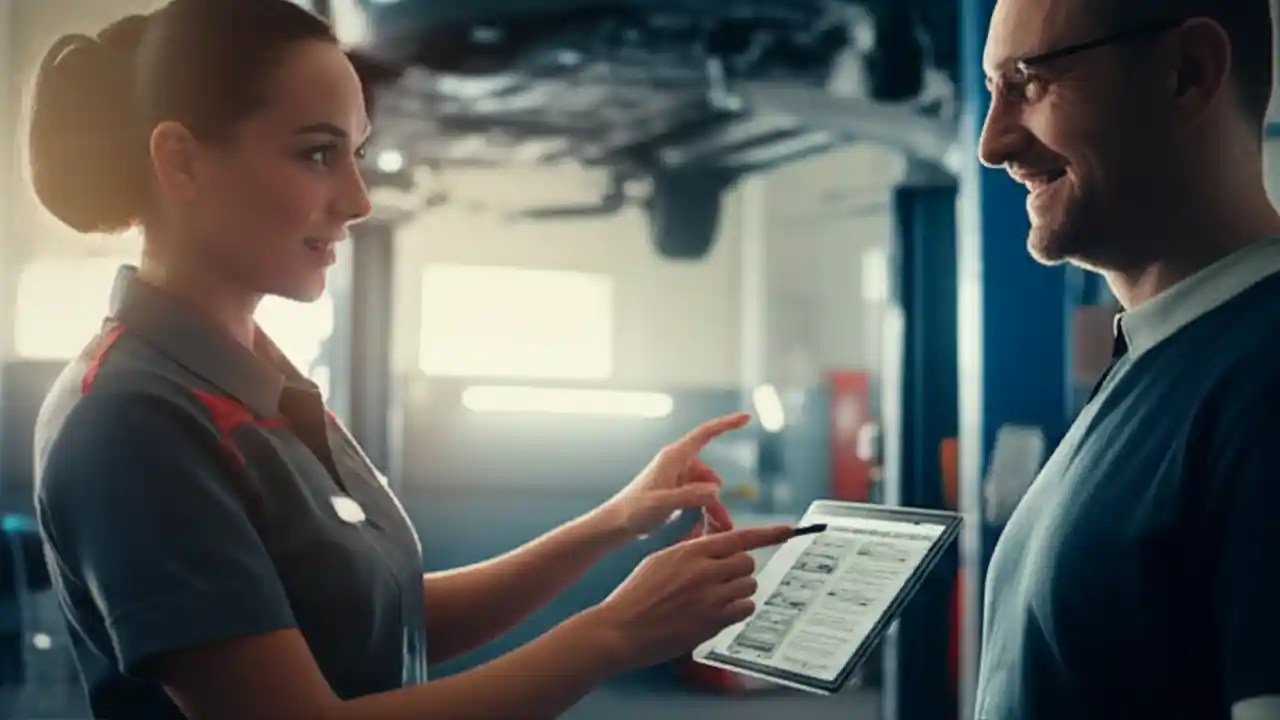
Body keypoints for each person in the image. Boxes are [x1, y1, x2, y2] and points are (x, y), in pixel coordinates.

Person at [26, 1, 793, 718]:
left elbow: (387, 618)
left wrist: (614, 522)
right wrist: (614, 635)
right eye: (318, 153)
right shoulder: (131, 422)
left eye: (355, 154)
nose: (358, 200)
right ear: (182, 162)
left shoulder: (257, 375)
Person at [977, 0, 1280, 718]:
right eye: (993, 90)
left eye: (1029, 81)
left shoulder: (1266, 383)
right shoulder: (1163, 358)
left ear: (1186, 73)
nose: (993, 143)